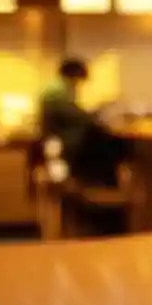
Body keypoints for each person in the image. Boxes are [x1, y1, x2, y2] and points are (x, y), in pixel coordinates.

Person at [39, 58, 129, 234]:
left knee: (106, 147)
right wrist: (98, 111)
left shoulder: (56, 90)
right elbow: (78, 117)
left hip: (63, 144)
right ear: (74, 76)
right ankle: (104, 207)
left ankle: (103, 204)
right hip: (69, 146)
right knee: (112, 149)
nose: (79, 85)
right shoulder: (57, 92)